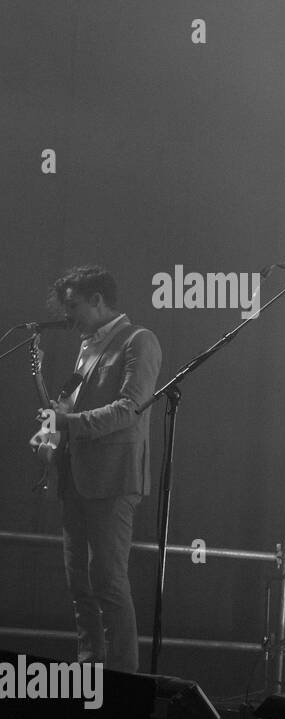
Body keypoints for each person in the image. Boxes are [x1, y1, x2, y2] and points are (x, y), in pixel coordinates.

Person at [44, 266, 161, 673]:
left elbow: (130, 408)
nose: (67, 314)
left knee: (108, 584)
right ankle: (89, 672)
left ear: (98, 300)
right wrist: (51, 431)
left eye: (73, 305)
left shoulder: (138, 340)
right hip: (75, 477)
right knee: (81, 585)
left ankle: (122, 684)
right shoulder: (86, 346)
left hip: (113, 479)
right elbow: (71, 410)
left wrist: (68, 424)